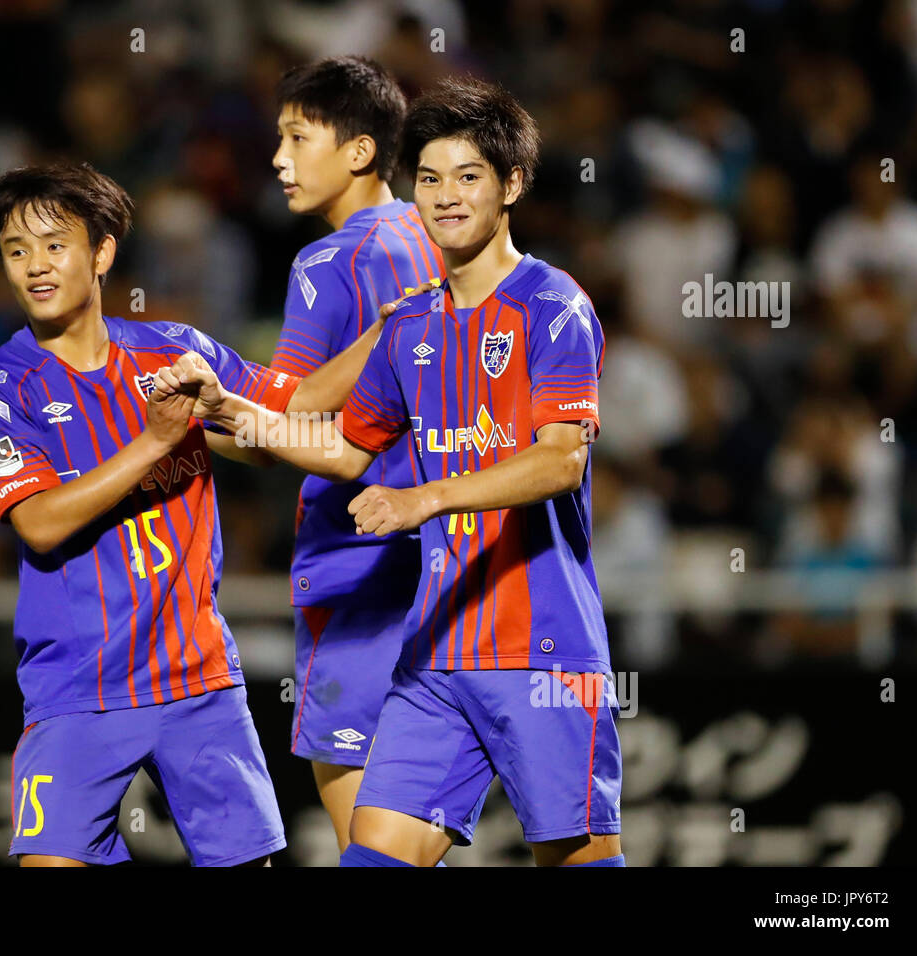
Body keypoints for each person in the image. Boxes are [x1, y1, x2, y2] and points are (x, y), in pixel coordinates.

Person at [156, 77, 623, 867]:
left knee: (577, 859)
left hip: (539, 650)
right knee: (371, 855)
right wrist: (228, 410)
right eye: (430, 179)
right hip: (435, 653)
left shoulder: (554, 304)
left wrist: (426, 500)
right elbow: (344, 449)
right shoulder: (409, 325)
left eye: (468, 177)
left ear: (512, 185)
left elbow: (559, 458)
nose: (444, 197)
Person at [0, 161, 374, 867]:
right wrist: (153, 441)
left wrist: (388, 332)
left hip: (197, 681)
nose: (35, 266)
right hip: (76, 689)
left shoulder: (172, 352)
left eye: (54, 245)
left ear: (102, 252)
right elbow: (40, 522)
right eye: (15, 250)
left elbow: (286, 415)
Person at [269, 56, 442, 849]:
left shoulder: (327, 261)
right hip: (452, 569)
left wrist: (187, 425)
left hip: (355, 574)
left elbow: (282, 417)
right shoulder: (441, 237)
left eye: (299, 137)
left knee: (367, 856)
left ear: (361, 151)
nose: (279, 158)